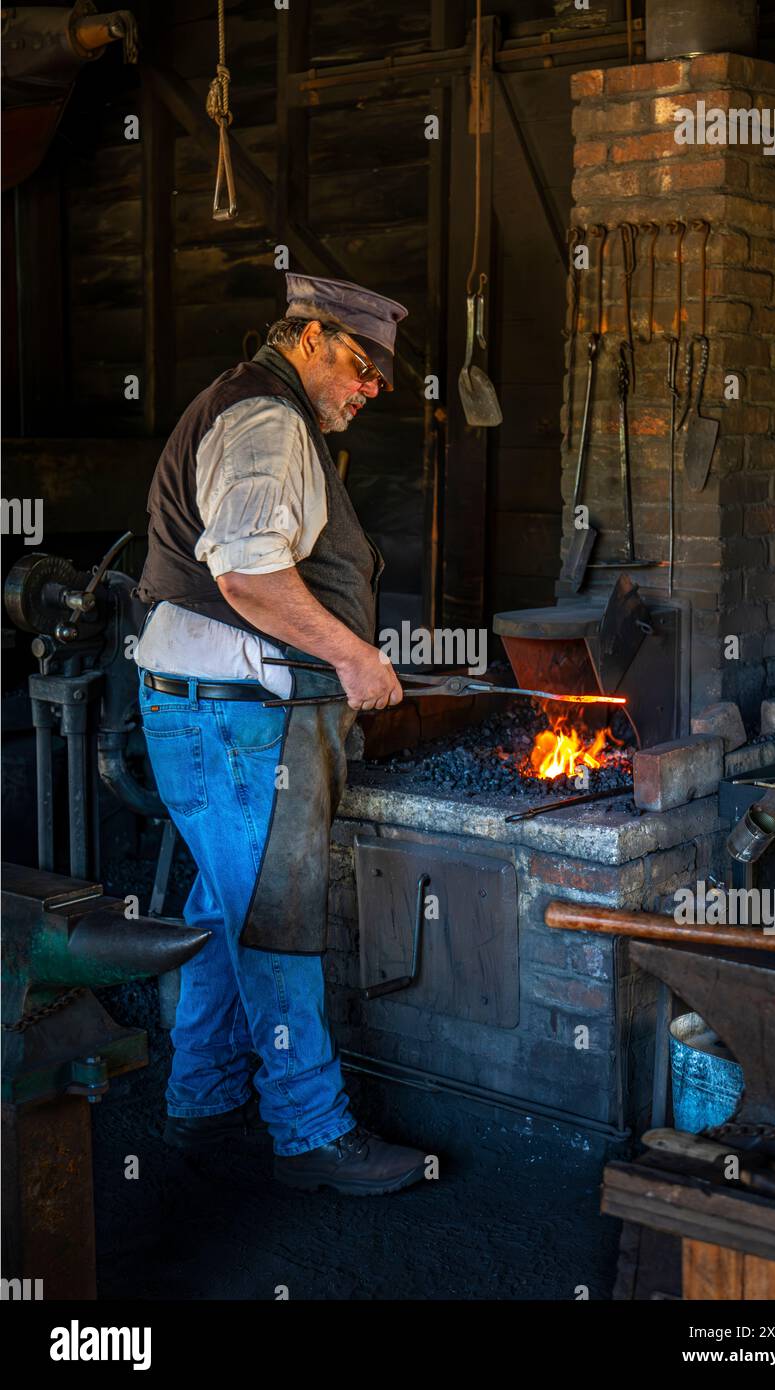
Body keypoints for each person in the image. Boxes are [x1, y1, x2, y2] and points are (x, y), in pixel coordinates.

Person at [134, 274, 428, 1195]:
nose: (372, 387)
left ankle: (202, 1098)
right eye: (360, 364)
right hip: (235, 719)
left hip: (215, 710)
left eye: (381, 376)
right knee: (276, 922)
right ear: (307, 340)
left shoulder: (254, 408)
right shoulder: (266, 421)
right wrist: (352, 659)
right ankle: (310, 1133)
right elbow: (251, 577)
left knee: (228, 907)